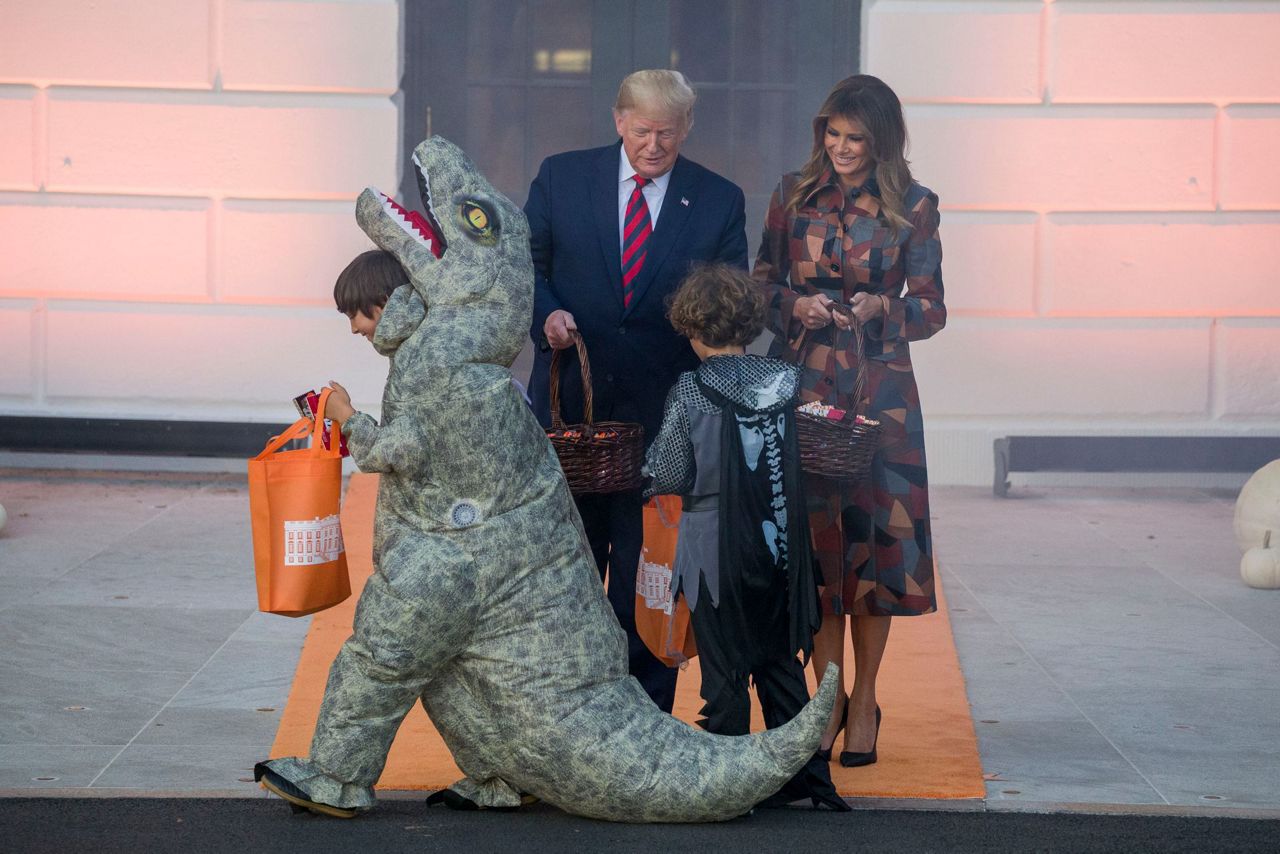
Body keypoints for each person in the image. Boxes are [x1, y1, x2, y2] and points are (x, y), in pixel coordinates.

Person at [524, 69, 749, 712]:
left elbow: (725, 297)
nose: (654, 145)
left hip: (665, 420)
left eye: (668, 134)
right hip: (573, 414)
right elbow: (526, 265)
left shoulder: (716, 199)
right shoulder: (561, 177)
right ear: (619, 120)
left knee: (650, 573)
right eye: (644, 130)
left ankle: (644, 715)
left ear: (687, 130)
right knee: (564, 569)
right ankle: (558, 709)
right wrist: (546, 315)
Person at [752, 74, 946, 767]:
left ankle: (864, 700)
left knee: (875, 551)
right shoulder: (790, 195)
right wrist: (792, 308)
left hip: (882, 394)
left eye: (855, 138)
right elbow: (761, 282)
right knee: (815, 548)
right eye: (832, 135)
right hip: (803, 381)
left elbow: (932, 309)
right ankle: (824, 697)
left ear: (880, 140)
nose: (841, 148)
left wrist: (882, 310)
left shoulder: (915, 207)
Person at [643, 263, 848, 811]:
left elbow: (667, 472)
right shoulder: (784, 379)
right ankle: (807, 777)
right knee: (781, 668)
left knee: (726, 672)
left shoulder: (690, 388)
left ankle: (730, 785)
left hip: (714, 552)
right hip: (781, 547)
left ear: (689, 326)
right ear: (749, 323)